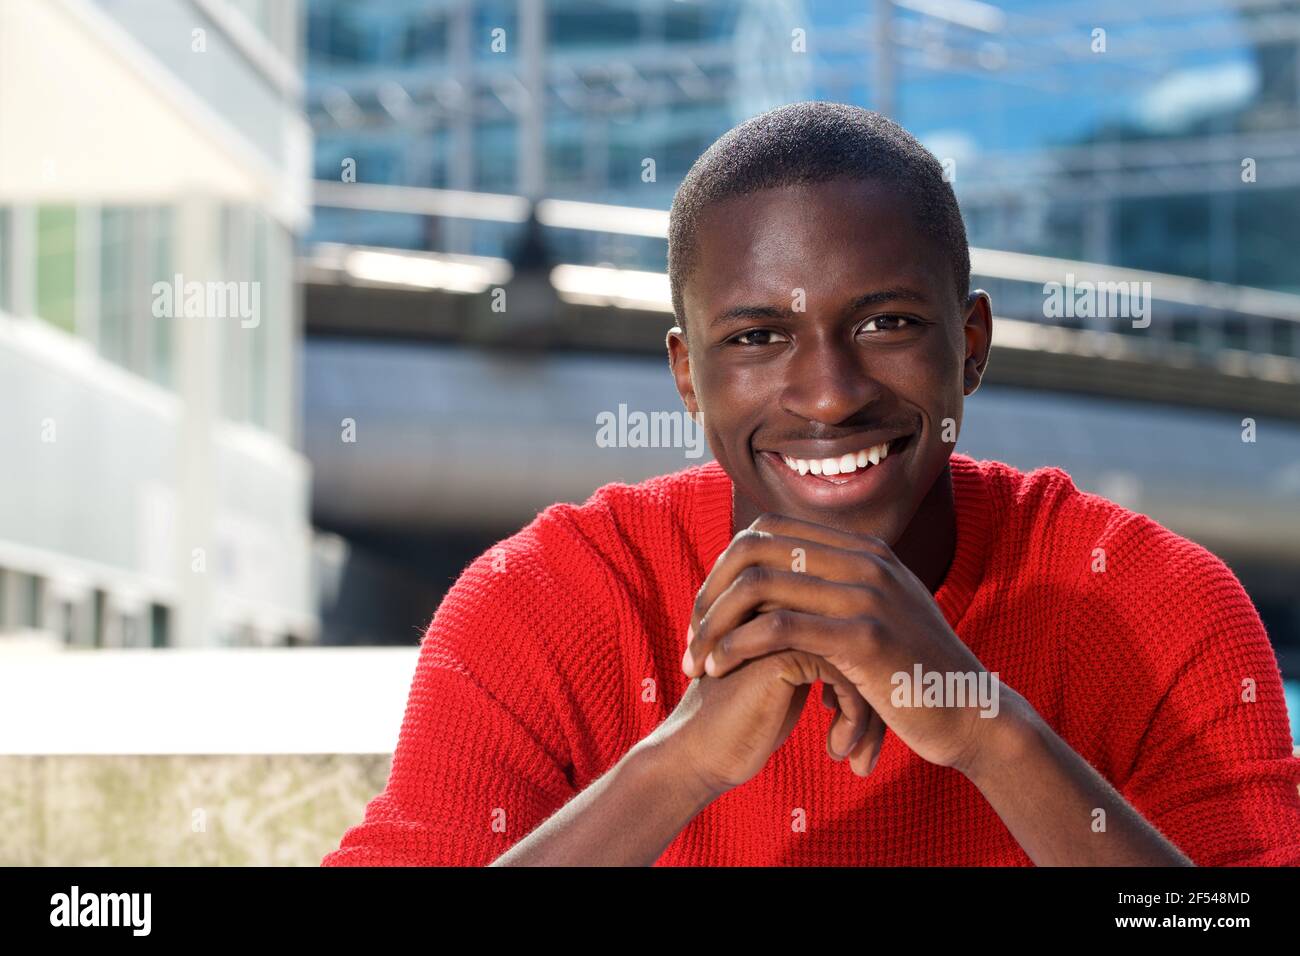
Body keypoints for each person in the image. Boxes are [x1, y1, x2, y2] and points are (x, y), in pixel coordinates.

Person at [321, 101, 1300, 866]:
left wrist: (990, 732)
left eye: (886, 324)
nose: (828, 396)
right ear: (686, 375)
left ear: (970, 345)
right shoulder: (543, 600)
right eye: (756, 338)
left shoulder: (1154, 601)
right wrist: (681, 762)